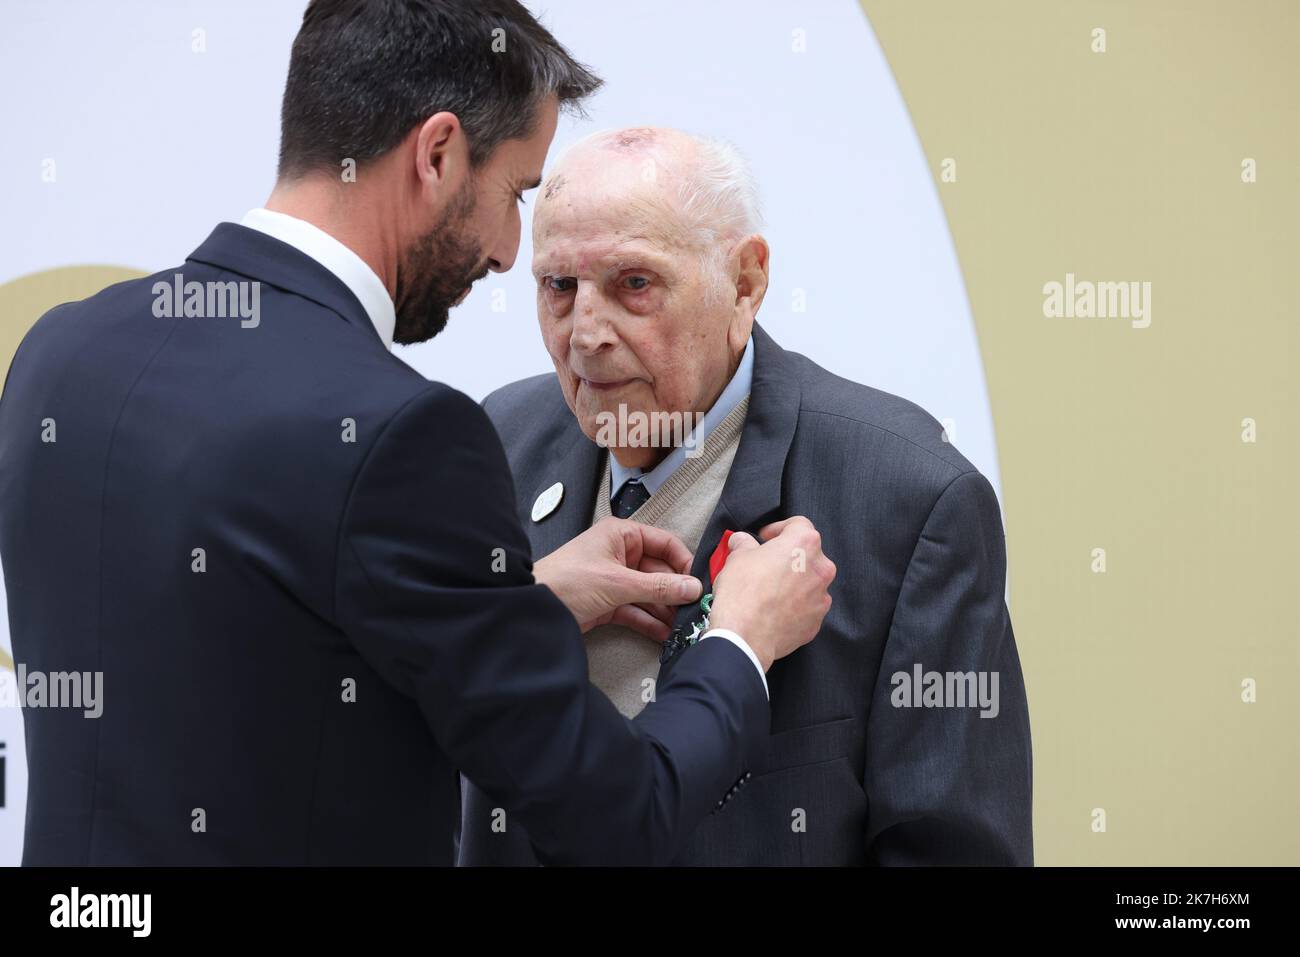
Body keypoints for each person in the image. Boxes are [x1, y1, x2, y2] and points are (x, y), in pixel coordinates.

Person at [0, 1, 834, 866]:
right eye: (515, 193)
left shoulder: (58, 354)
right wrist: (739, 638)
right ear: (437, 155)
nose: (510, 250)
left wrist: (517, 604)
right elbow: (618, 811)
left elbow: (246, 642)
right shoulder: (403, 434)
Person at [458, 128, 1032, 866]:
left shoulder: (909, 499)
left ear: (746, 282)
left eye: (635, 283)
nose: (586, 334)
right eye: (559, 287)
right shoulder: (495, 446)